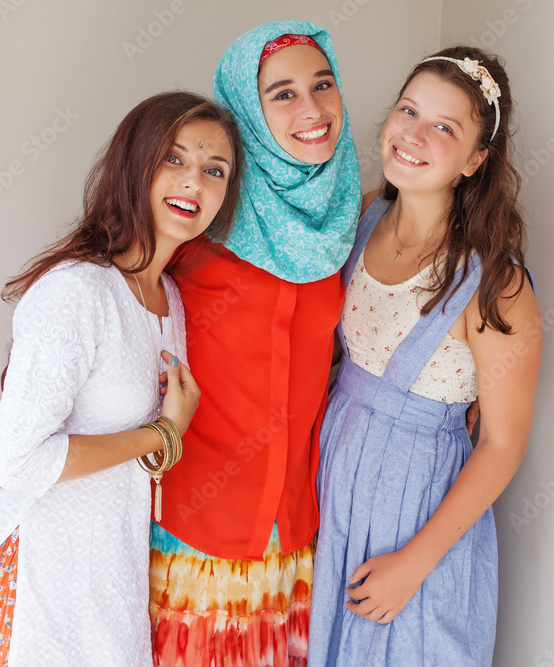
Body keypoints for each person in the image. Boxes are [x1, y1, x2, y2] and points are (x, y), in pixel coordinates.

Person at [0, 91, 243, 666]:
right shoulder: (79, 289)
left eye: (213, 169)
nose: (194, 181)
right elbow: (19, 461)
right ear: (135, 164)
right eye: (174, 158)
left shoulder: (169, 298)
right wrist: (163, 434)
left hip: (107, 575)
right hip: (36, 572)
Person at [308, 46, 541, 667]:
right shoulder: (364, 217)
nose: (413, 135)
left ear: (475, 160)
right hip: (333, 476)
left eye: (444, 127)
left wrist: (413, 565)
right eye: (408, 110)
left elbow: (502, 443)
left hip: (418, 511)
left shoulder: (497, 284)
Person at [147, 21, 361, 667]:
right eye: (283, 93)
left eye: (322, 85)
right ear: (247, 106)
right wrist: (18, 394)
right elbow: (103, 294)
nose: (312, 109)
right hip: (196, 528)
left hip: (296, 529)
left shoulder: (347, 218)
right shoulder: (198, 210)